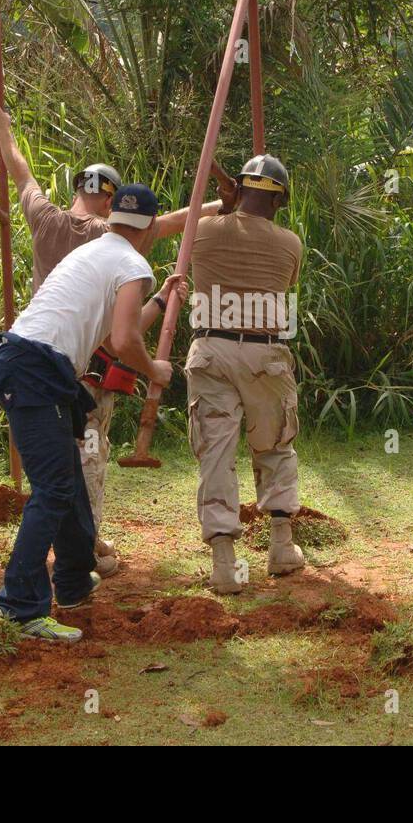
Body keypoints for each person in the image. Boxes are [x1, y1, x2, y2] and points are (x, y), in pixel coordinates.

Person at [0, 104, 221, 577]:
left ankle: (79, 545)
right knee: (88, 450)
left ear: (78, 188)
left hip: (34, 352)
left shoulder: (44, 219)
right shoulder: (108, 237)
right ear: (111, 201)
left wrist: (4, 132)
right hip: (83, 361)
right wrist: (217, 208)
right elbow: (163, 227)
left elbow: (21, 173)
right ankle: (85, 544)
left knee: (65, 460)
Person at [0, 184, 185, 642]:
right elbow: (127, 345)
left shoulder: (96, 252)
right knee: (53, 490)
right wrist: (157, 370)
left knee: (65, 480)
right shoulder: (133, 264)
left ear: (114, 216)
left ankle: (71, 582)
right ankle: (19, 608)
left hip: (31, 364)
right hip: (36, 369)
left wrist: (162, 302)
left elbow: (111, 338)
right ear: (150, 227)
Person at [185, 154, 304, 595]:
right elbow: (283, 284)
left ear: (238, 190)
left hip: (210, 350)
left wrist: (223, 207)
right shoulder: (289, 242)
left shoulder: (201, 230)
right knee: (274, 446)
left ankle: (224, 563)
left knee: (215, 452)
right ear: (278, 202)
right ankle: (280, 547)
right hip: (264, 353)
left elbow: (198, 225)